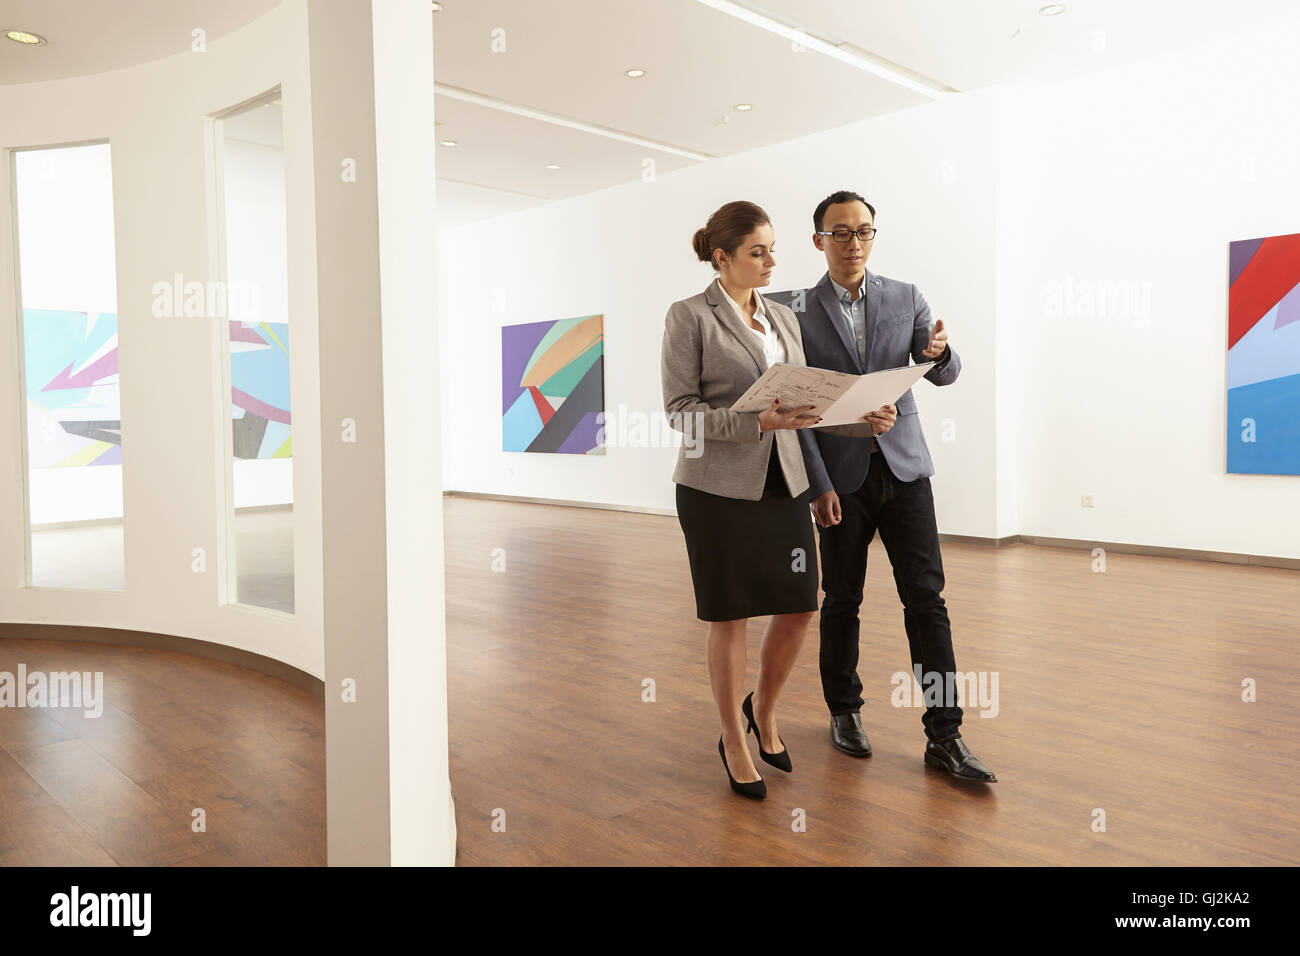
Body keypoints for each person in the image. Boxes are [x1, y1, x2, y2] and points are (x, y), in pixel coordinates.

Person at [661, 200, 896, 800]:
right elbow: (679, 413)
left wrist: (860, 423)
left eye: (772, 249)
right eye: (757, 252)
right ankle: (732, 739)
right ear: (722, 258)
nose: (770, 261)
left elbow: (805, 411)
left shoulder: (784, 319)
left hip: (786, 484)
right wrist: (754, 423)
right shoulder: (689, 316)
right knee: (731, 615)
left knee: (799, 607)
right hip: (716, 490)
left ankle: (762, 710)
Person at [775, 190, 997, 782]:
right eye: (840, 232)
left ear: (874, 236)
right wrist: (817, 484)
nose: (853, 243)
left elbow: (944, 373)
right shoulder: (791, 310)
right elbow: (795, 404)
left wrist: (939, 353)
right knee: (842, 600)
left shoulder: (907, 297)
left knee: (928, 601)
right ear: (817, 239)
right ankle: (844, 711)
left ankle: (945, 735)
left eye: (864, 232)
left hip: (904, 470)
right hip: (839, 478)